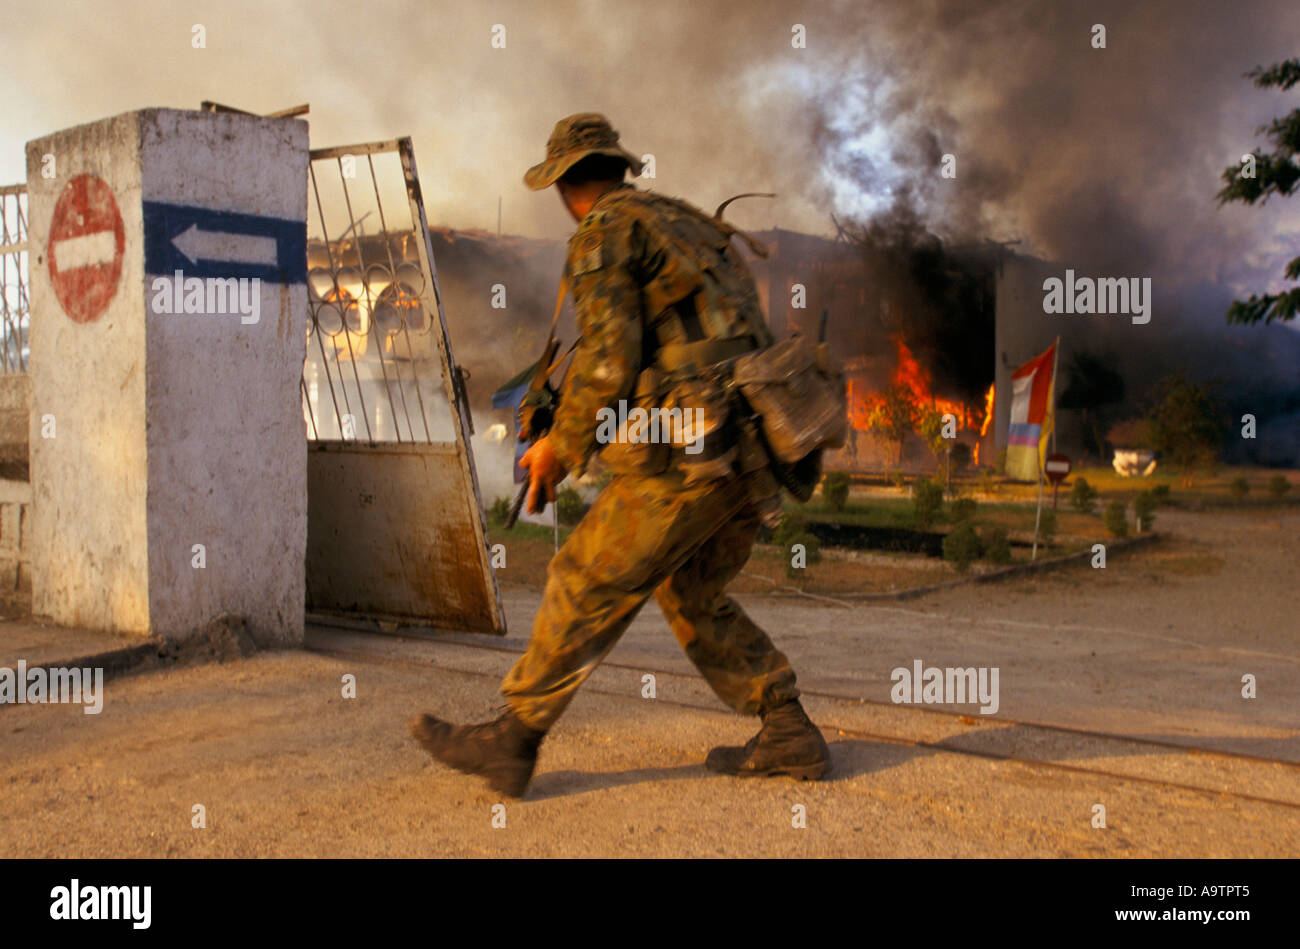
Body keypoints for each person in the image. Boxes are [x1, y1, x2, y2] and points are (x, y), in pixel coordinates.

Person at [409, 113, 829, 798]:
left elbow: (609, 362)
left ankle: (512, 740)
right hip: (750, 445)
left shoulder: (604, 231)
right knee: (687, 586)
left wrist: (560, 448)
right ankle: (786, 727)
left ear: (563, 183)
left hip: (691, 447)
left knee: (585, 571)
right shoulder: (685, 222)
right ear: (616, 167)